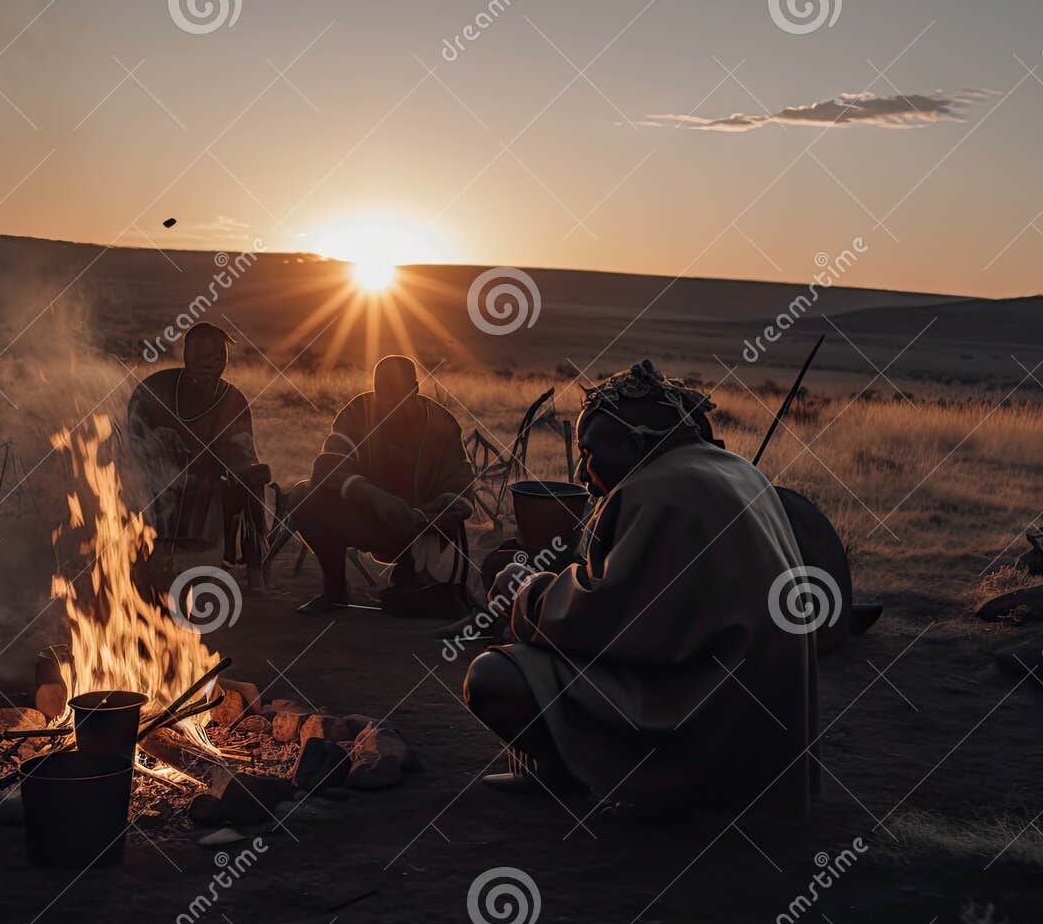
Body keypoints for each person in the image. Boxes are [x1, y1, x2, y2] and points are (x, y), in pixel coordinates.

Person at [463, 361, 818, 818]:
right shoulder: (733, 470)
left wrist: (525, 592)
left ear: (632, 444)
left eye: (589, 455)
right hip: (748, 725)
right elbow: (645, 605)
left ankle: (579, 773)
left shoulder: (661, 491)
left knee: (494, 676)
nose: (584, 475)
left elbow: (600, 620)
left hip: (699, 723)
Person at [284, 354, 473, 615]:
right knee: (303, 496)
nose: (389, 403)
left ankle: (412, 579)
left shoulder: (442, 424)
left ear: (415, 390)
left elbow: (462, 487)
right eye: (382, 393)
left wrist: (432, 512)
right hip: (366, 518)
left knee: (407, 603)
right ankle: (335, 590)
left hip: (420, 529)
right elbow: (328, 467)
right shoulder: (357, 413)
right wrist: (373, 497)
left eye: (398, 395)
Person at [127, 322, 270, 589]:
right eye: (204, 355)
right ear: (187, 355)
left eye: (219, 356)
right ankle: (131, 560)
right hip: (154, 482)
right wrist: (156, 442)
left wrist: (249, 469)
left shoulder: (232, 400)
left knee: (253, 484)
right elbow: (132, 440)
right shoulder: (154, 389)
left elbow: (239, 451)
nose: (213, 362)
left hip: (210, 485)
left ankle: (254, 568)